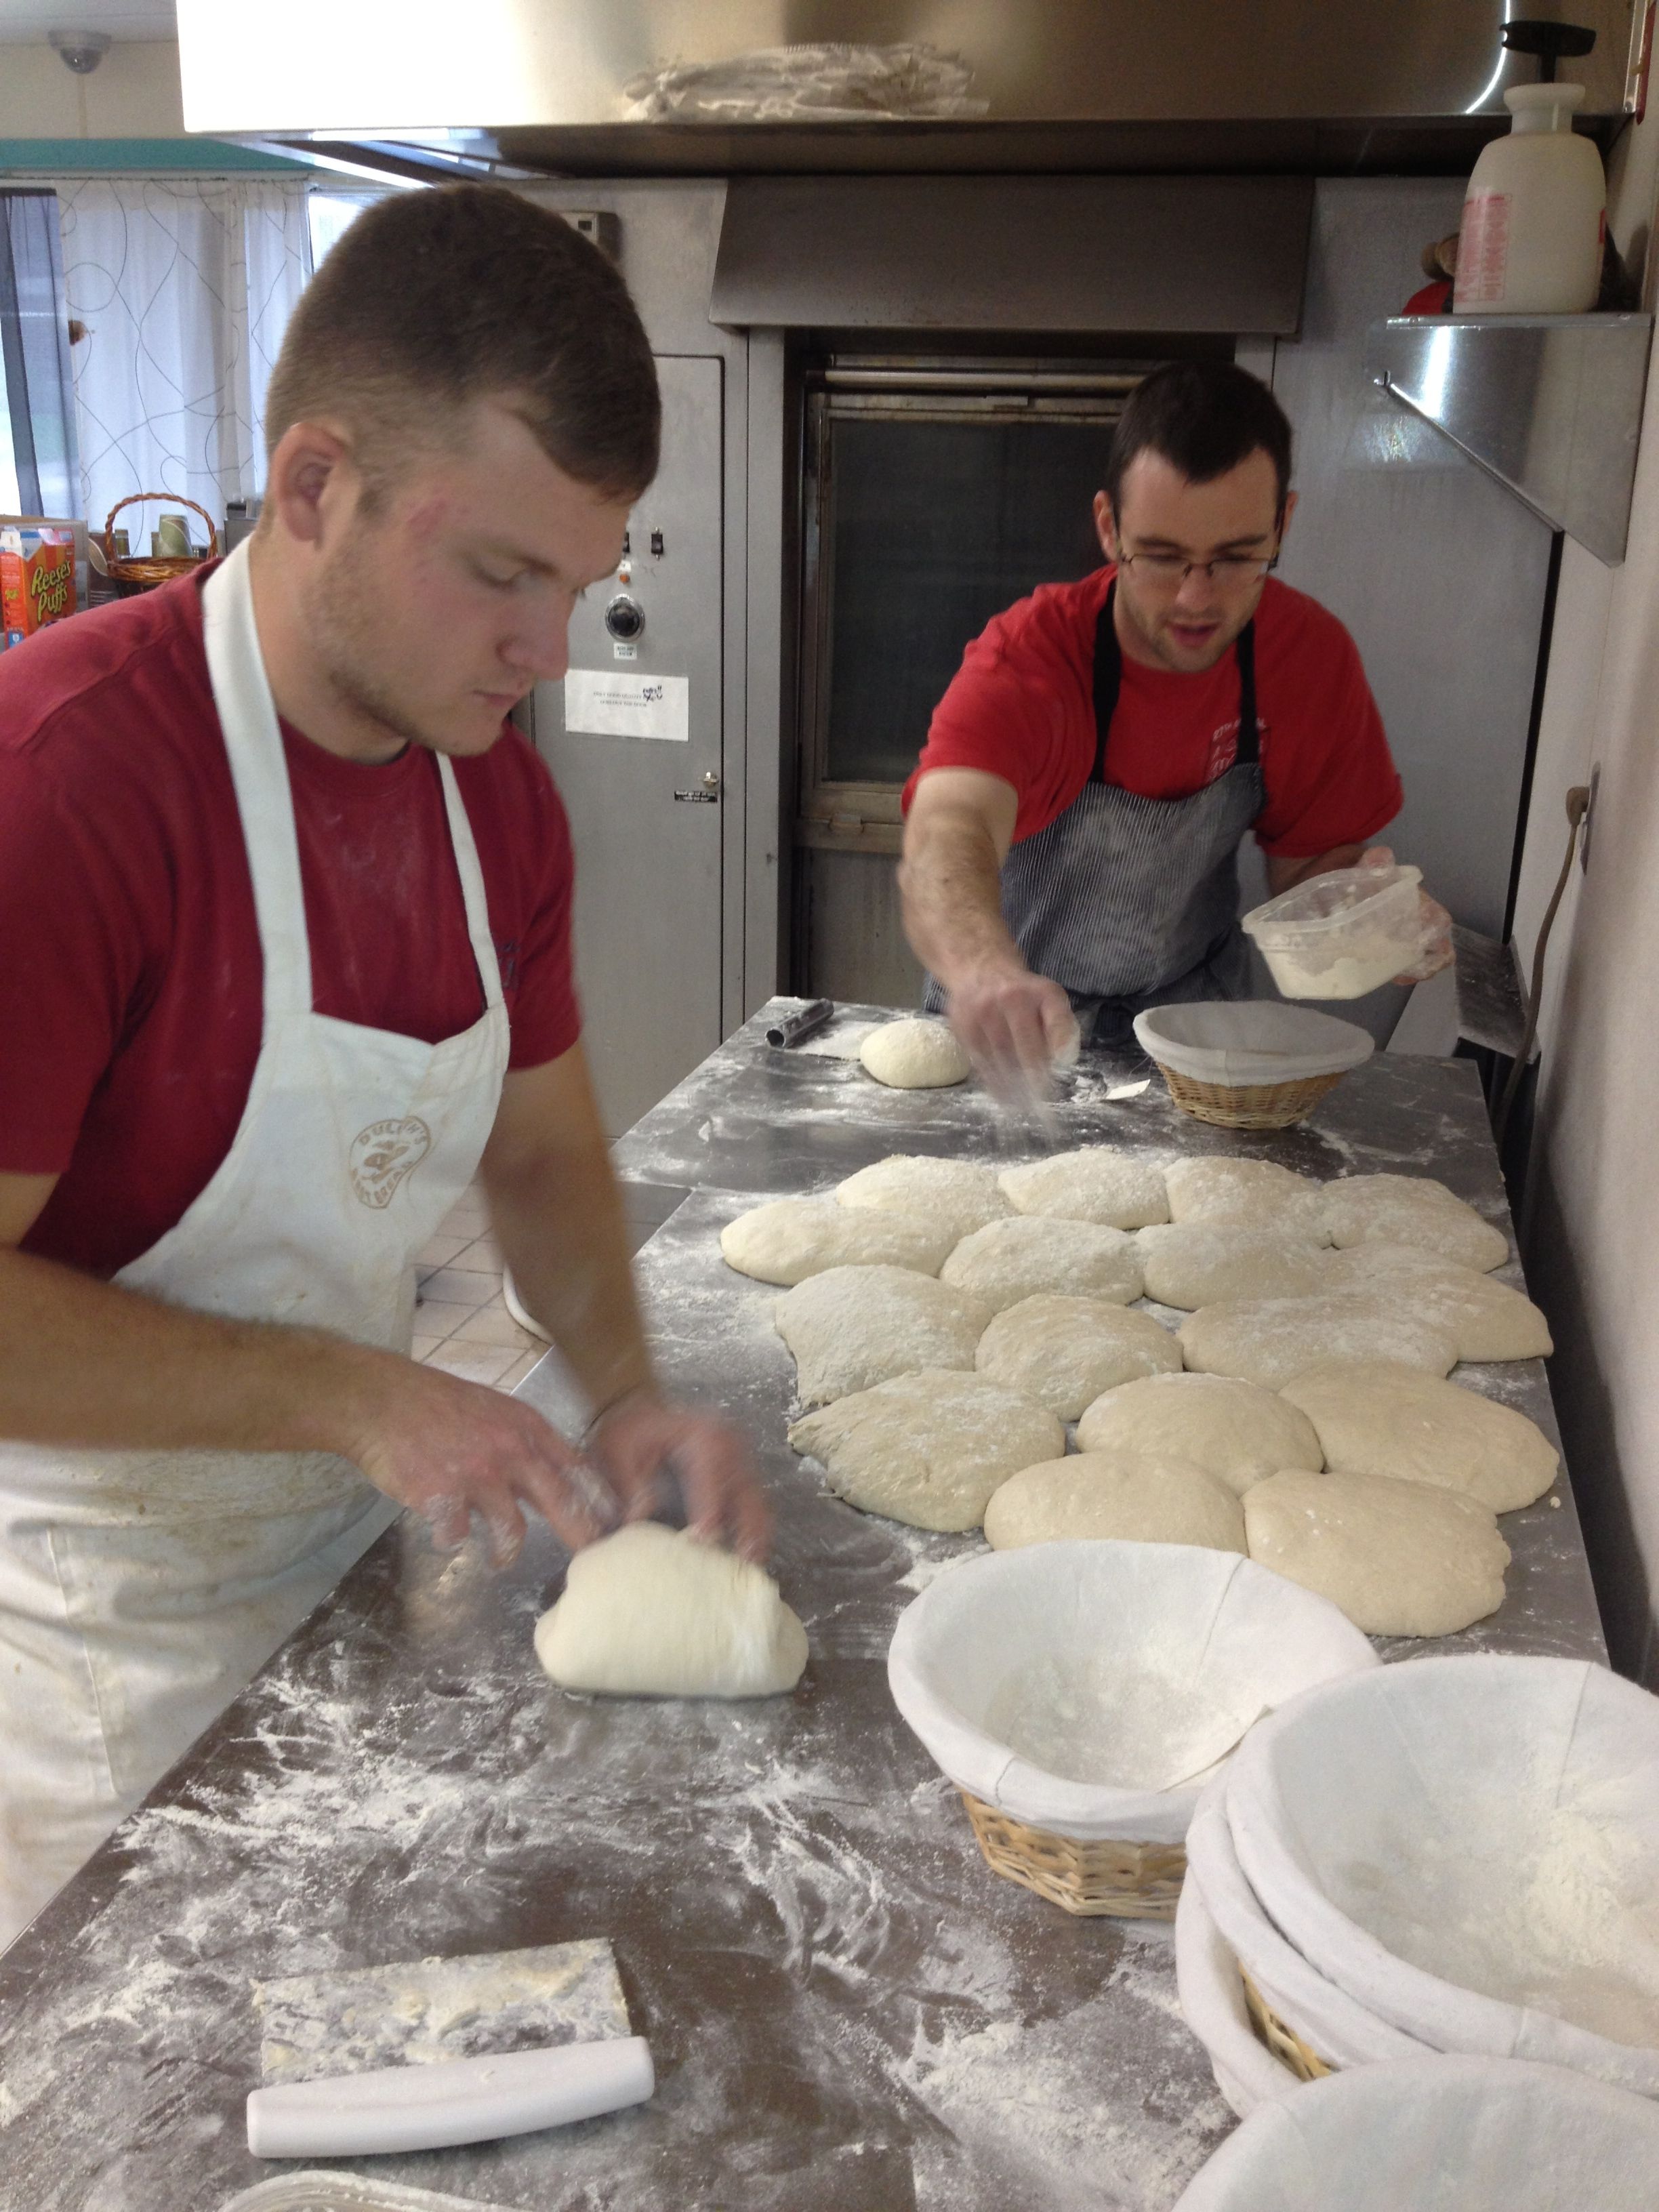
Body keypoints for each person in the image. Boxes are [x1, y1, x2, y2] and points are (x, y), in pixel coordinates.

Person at [0, 184, 768, 1948]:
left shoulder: (493, 793)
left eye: (578, 584)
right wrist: (364, 1399)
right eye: (500, 572)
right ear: (313, 488)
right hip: (87, 1669)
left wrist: (629, 1387)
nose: (546, 651)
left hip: (339, 1590)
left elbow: (545, 1154)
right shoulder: (68, 788)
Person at [899, 359, 1450, 1085]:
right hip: (1008, 1039)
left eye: (1234, 558)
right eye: (1161, 558)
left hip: (1190, 1042)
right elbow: (948, 831)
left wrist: (1371, 913)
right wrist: (982, 971)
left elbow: (1309, 878)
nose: (1196, 597)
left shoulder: (1307, 660)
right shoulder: (1035, 656)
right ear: (1108, 526)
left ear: (1282, 524)